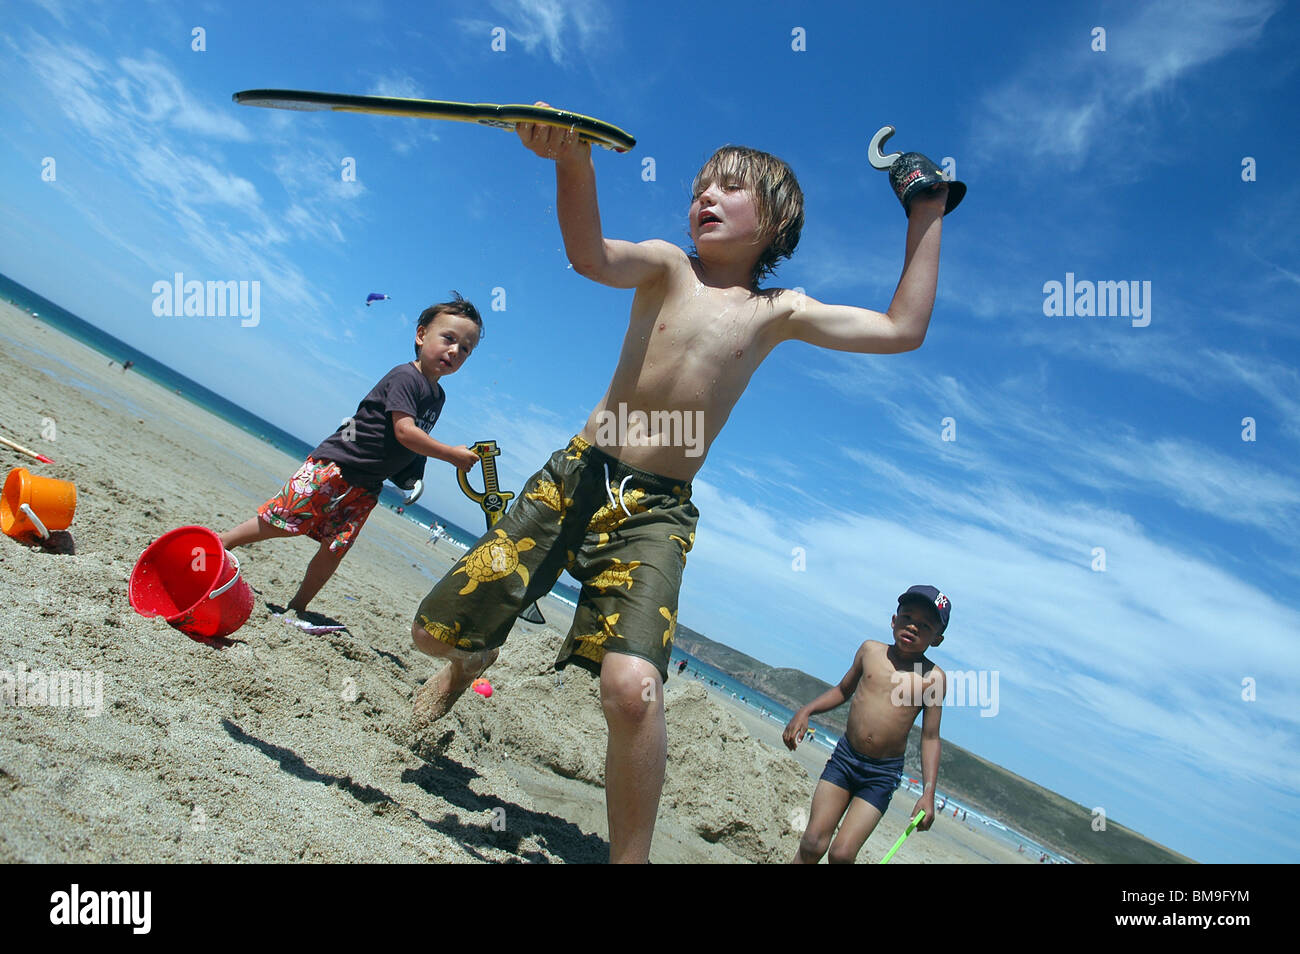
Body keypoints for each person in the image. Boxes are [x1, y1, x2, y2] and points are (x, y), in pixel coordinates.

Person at [410, 115, 954, 864]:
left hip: (655, 514)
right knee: (431, 634)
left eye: (730, 187)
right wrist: (574, 163)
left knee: (632, 691)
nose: (706, 195)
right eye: (700, 184)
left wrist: (926, 213)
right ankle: (469, 662)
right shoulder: (668, 266)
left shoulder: (778, 312)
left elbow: (903, 329)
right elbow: (591, 255)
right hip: (578, 476)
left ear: (775, 221)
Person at [220, 294, 482, 615]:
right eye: (449, 339)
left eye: (466, 348)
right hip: (336, 467)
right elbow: (404, 431)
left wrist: (413, 475)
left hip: (367, 485)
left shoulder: (437, 396)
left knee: (334, 549)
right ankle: (222, 543)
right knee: (282, 522)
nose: (455, 351)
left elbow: (415, 442)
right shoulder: (405, 377)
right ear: (421, 335)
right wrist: (451, 454)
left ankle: (298, 607)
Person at [784, 586, 951, 864]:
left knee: (842, 854)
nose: (913, 626)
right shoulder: (871, 651)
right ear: (893, 620)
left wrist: (928, 793)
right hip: (845, 759)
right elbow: (842, 690)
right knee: (813, 842)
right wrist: (807, 710)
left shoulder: (932, 678)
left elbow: (931, 738)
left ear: (937, 639)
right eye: (907, 617)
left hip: (881, 774)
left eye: (925, 625)